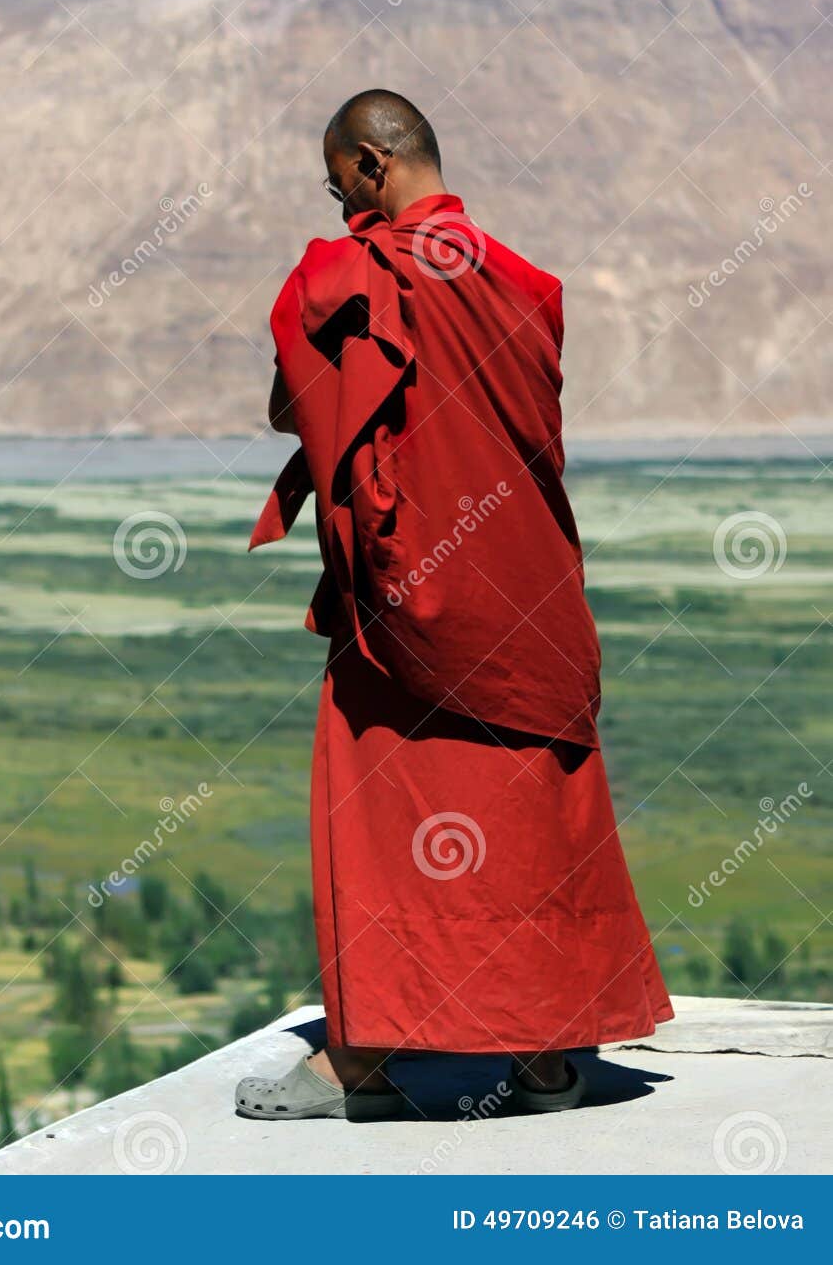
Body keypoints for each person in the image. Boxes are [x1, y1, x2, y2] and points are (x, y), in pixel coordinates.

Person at [235, 89, 672, 1123]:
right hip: (526, 597)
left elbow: (294, 403)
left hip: (408, 602)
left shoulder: (349, 273)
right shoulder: (520, 283)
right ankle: (546, 1061)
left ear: (369, 164)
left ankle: (359, 1061)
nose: (342, 206)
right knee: (527, 806)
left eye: (339, 185)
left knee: (379, 804)